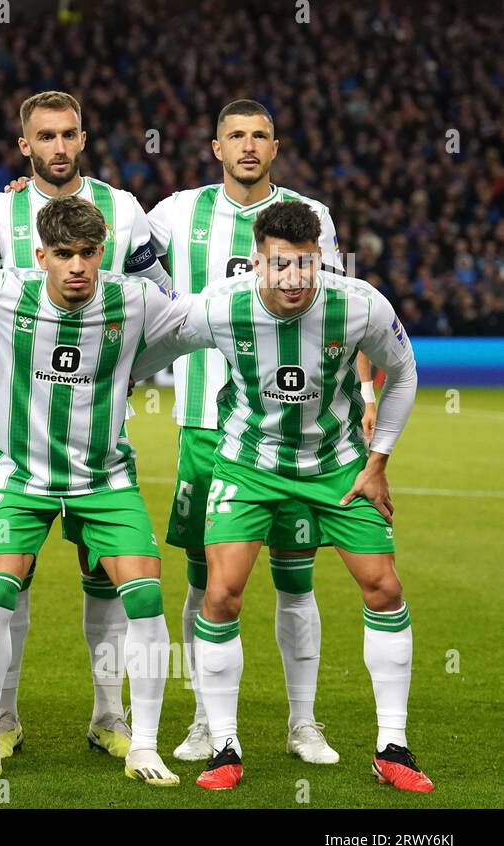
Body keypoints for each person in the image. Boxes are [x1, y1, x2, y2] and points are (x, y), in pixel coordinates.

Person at [132, 200, 429, 792]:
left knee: (385, 587)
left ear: (321, 259)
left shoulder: (361, 304)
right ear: (256, 262)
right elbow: (153, 348)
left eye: (304, 264)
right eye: (279, 265)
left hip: (336, 465)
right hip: (248, 465)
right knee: (220, 595)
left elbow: (404, 372)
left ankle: (392, 746)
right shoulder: (221, 305)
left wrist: (378, 461)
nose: (293, 278)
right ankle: (224, 746)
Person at [0, 196, 184, 787]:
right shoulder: (5, 290)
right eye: (63, 254)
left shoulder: (135, 299)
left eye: (87, 253)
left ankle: (144, 745)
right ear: (41, 255)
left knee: (145, 599)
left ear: (102, 253)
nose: (77, 266)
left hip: (105, 477)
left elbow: (201, 319)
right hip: (20, 477)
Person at [148, 98, 374, 763]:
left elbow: (344, 310)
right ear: (216, 148)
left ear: (275, 147)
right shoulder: (177, 212)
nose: (248, 145)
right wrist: (13, 195)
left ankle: (304, 723)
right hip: (204, 424)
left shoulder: (309, 216)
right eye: (236, 135)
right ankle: (205, 722)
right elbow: (106, 241)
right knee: (207, 582)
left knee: (295, 577)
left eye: (260, 136)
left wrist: (363, 390)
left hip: (294, 430)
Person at [0, 90, 172, 760]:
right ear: (24, 145)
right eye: (45, 136)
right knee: (13, 578)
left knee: (107, 579)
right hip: (26, 425)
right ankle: (2, 717)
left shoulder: (123, 209)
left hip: (100, 430)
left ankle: (109, 714)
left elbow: (162, 295)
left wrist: (134, 363)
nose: (58, 147)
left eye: (68, 134)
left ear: (83, 138)